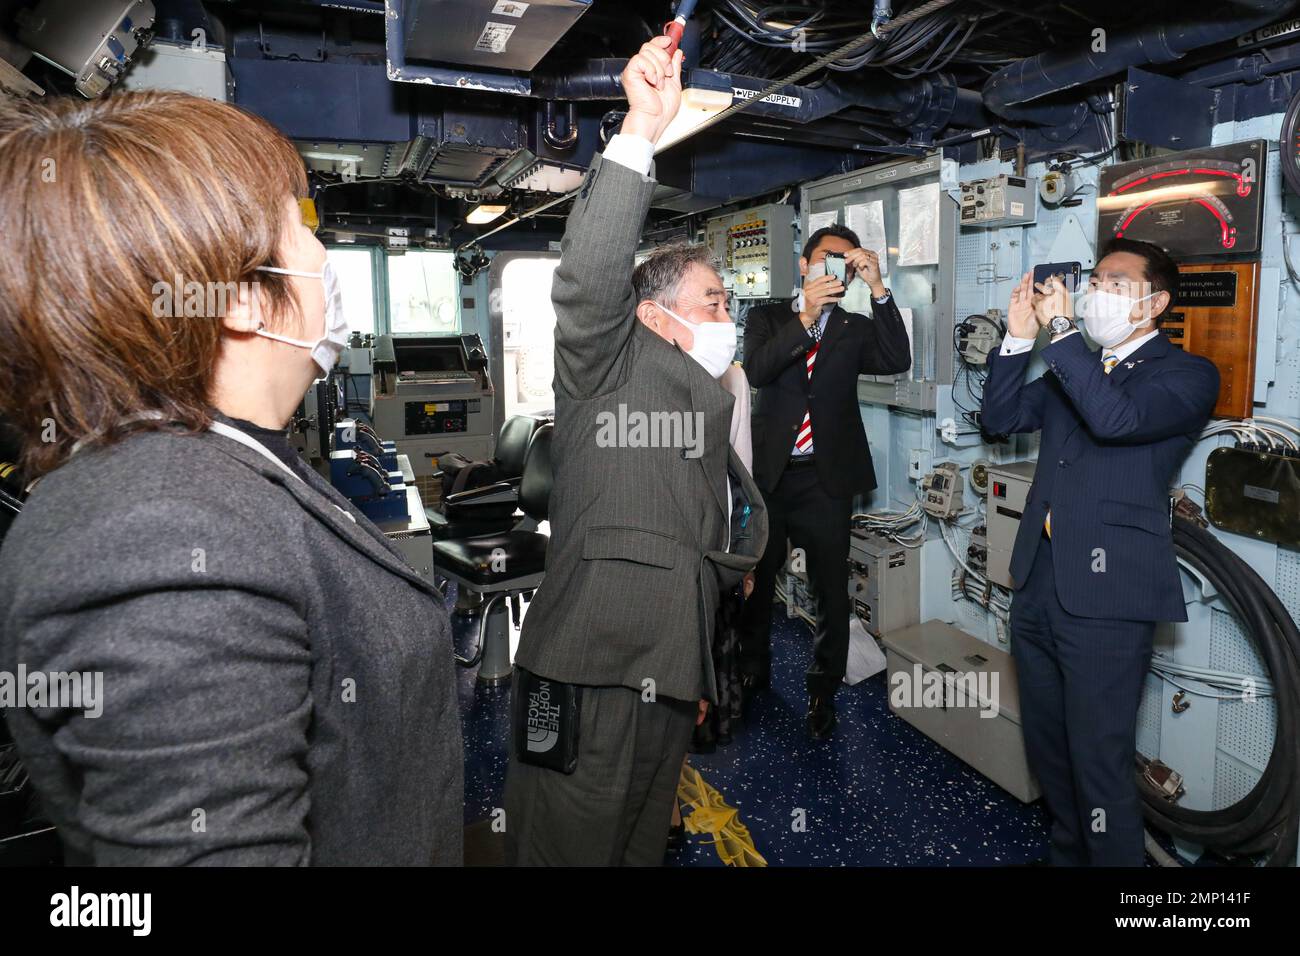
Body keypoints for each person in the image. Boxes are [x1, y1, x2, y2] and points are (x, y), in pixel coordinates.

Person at [0, 91, 463, 865]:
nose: (320, 256)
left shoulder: (217, 466)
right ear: (246, 297)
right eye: (301, 226)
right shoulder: (157, 534)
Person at [502, 36, 768, 866]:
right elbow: (586, 278)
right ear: (657, 315)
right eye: (714, 298)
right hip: (587, 671)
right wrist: (640, 133)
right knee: (566, 846)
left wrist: (691, 670)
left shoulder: (709, 391)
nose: (729, 314)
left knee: (641, 841)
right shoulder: (606, 361)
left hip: (663, 670)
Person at [981, 238, 1219, 866]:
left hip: (1109, 597)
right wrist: (1017, 338)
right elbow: (999, 417)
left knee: (1099, 764)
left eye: (1115, 283)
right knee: (1051, 751)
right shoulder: (1071, 366)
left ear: (1156, 302)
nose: (1095, 292)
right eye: (1095, 280)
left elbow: (1114, 420)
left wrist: (1061, 334)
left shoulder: (1187, 374)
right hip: (1039, 583)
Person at [740, 225, 911, 740]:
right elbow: (757, 370)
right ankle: (753, 673)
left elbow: (897, 358)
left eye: (844, 259)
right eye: (824, 258)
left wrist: (879, 289)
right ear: (804, 265)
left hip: (825, 479)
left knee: (830, 593)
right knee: (754, 585)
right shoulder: (768, 316)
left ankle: (823, 689)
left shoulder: (856, 326)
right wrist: (806, 316)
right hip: (770, 478)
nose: (833, 267)